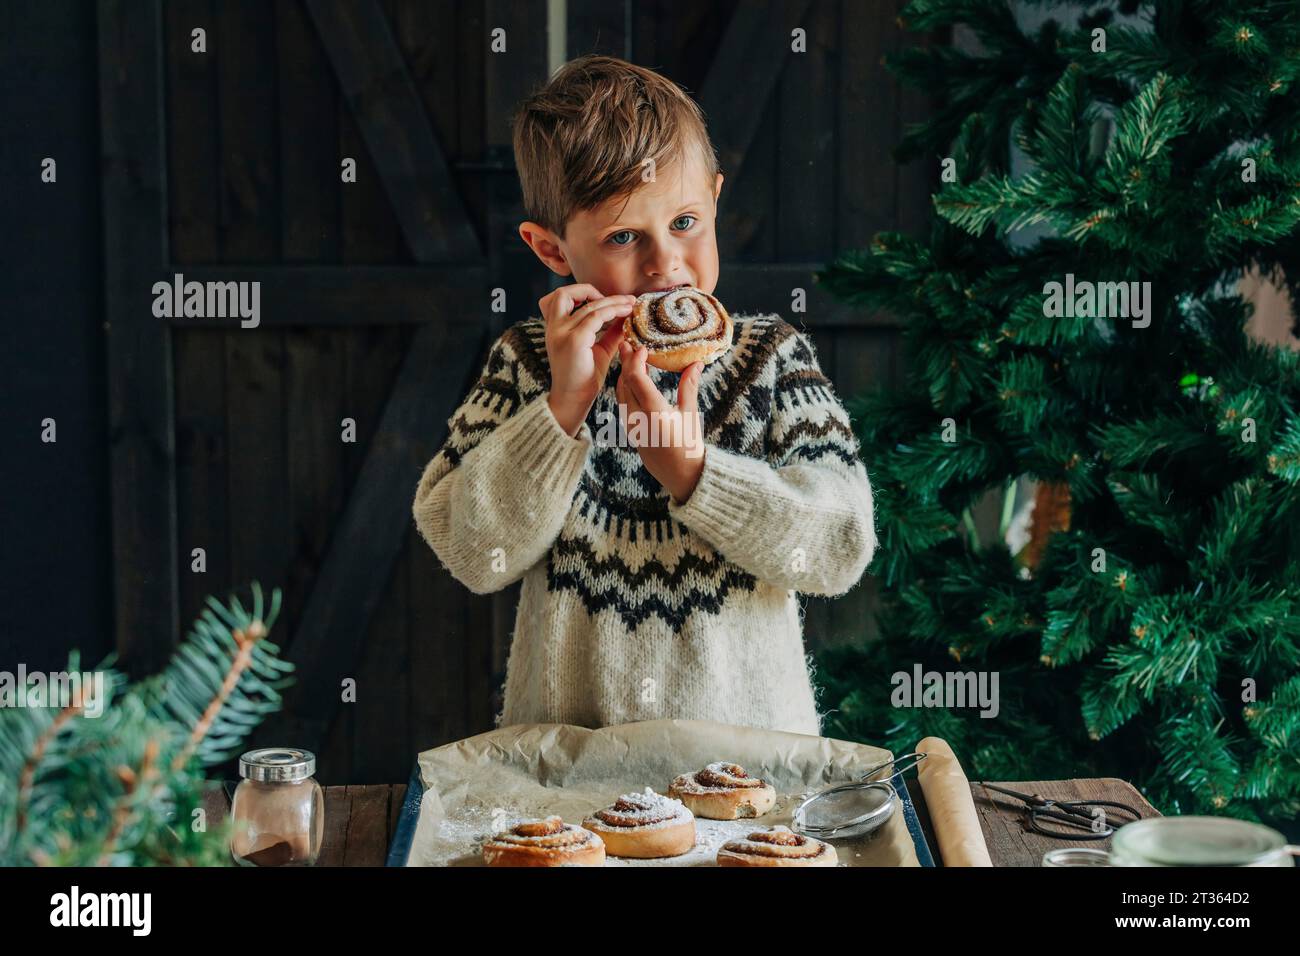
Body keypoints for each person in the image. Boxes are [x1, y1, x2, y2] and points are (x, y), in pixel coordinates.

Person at [412, 55, 877, 736]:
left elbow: (837, 549)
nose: (665, 265)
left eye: (685, 222)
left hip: (750, 780)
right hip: (571, 779)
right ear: (551, 250)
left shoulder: (774, 359)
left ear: (715, 199)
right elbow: (471, 550)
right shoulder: (524, 363)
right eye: (624, 237)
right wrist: (561, 411)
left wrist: (694, 475)